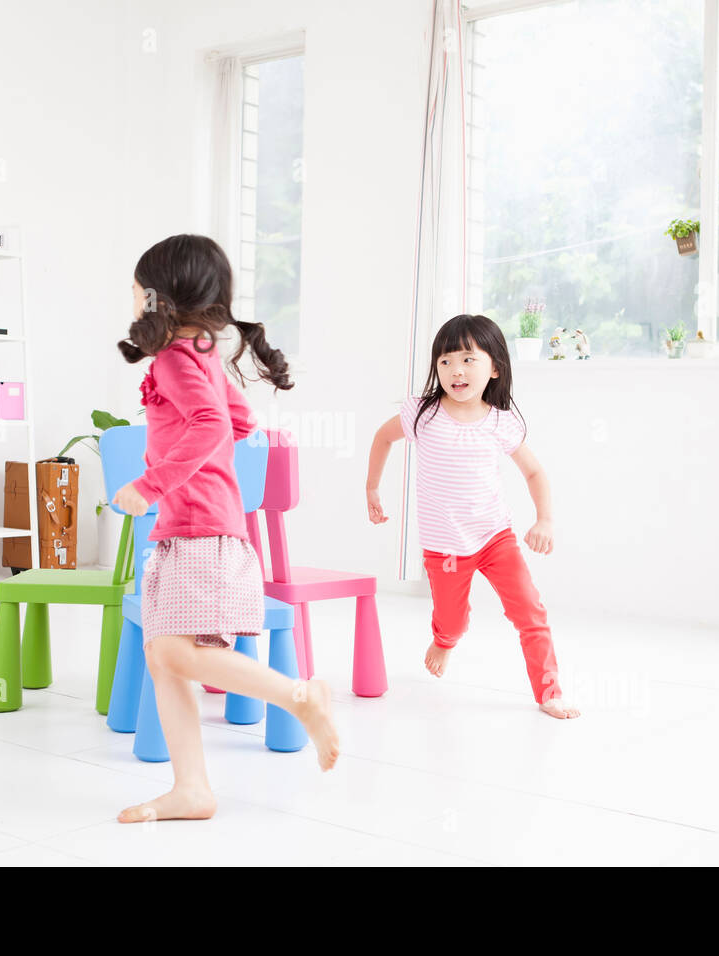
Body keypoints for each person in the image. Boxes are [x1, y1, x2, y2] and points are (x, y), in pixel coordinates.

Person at [111, 233, 339, 823]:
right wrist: (200, 467)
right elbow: (238, 421)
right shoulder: (200, 355)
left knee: (171, 652)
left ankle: (298, 696)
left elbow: (214, 424)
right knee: (166, 658)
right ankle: (192, 788)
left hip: (197, 527)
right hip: (199, 525)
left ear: (157, 297)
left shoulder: (173, 358)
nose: (131, 299)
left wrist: (153, 484)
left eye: (136, 289)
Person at [366, 313, 580, 719]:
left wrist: (545, 519)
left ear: (494, 367)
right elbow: (382, 437)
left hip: (495, 537)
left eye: (467, 359)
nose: (455, 370)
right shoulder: (423, 415)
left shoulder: (500, 422)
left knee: (530, 611)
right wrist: (372, 487)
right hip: (445, 546)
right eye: (445, 361)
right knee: (453, 622)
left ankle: (549, 692)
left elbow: (534, 471)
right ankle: (444, 641)